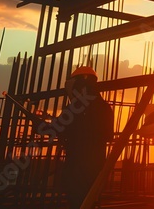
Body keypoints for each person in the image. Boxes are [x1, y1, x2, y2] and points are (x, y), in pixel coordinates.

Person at [36, 66, 115, 209]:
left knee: (77, 200)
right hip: (97, 165)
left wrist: (38, 124)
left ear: (80, 84)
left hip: (77, 166)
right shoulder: (104, 107)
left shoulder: (76, 107)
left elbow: (58, 129)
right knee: (90, 201)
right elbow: (107, 135)